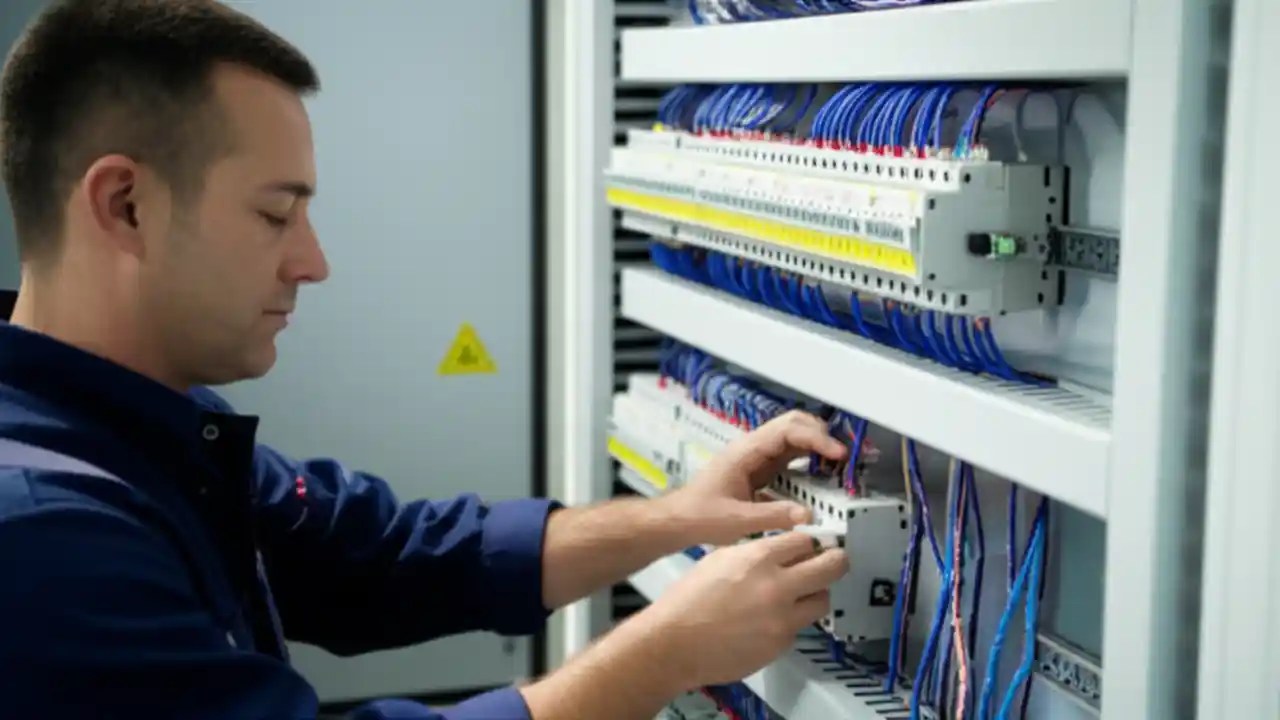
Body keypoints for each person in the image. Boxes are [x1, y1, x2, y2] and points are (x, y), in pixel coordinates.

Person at [0, 2, 852, 719]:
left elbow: (385, 557)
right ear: (127, 205)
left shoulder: (154, 432)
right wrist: (667, 651)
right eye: (274, 215)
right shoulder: (40, 538)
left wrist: (680, 516)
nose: (312, 261)